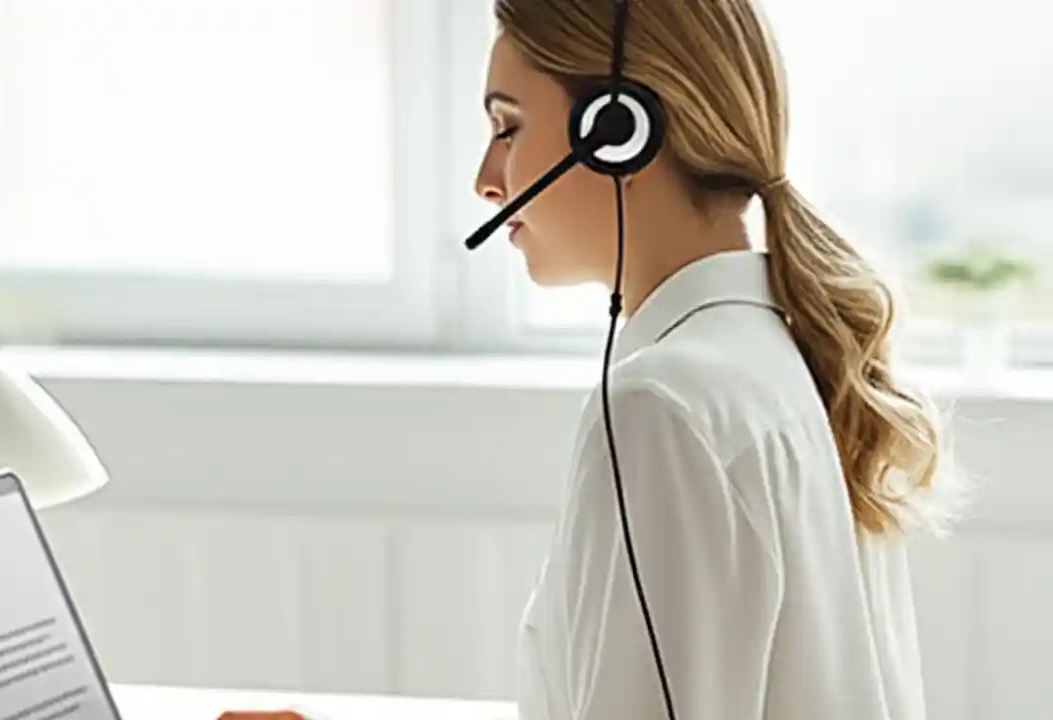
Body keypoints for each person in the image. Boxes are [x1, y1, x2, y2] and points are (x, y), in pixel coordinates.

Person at [223, 0, 955, 718]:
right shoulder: (783, 359)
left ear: (618, 133)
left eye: (508, 128)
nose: (487, 177)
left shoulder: (664, 407)